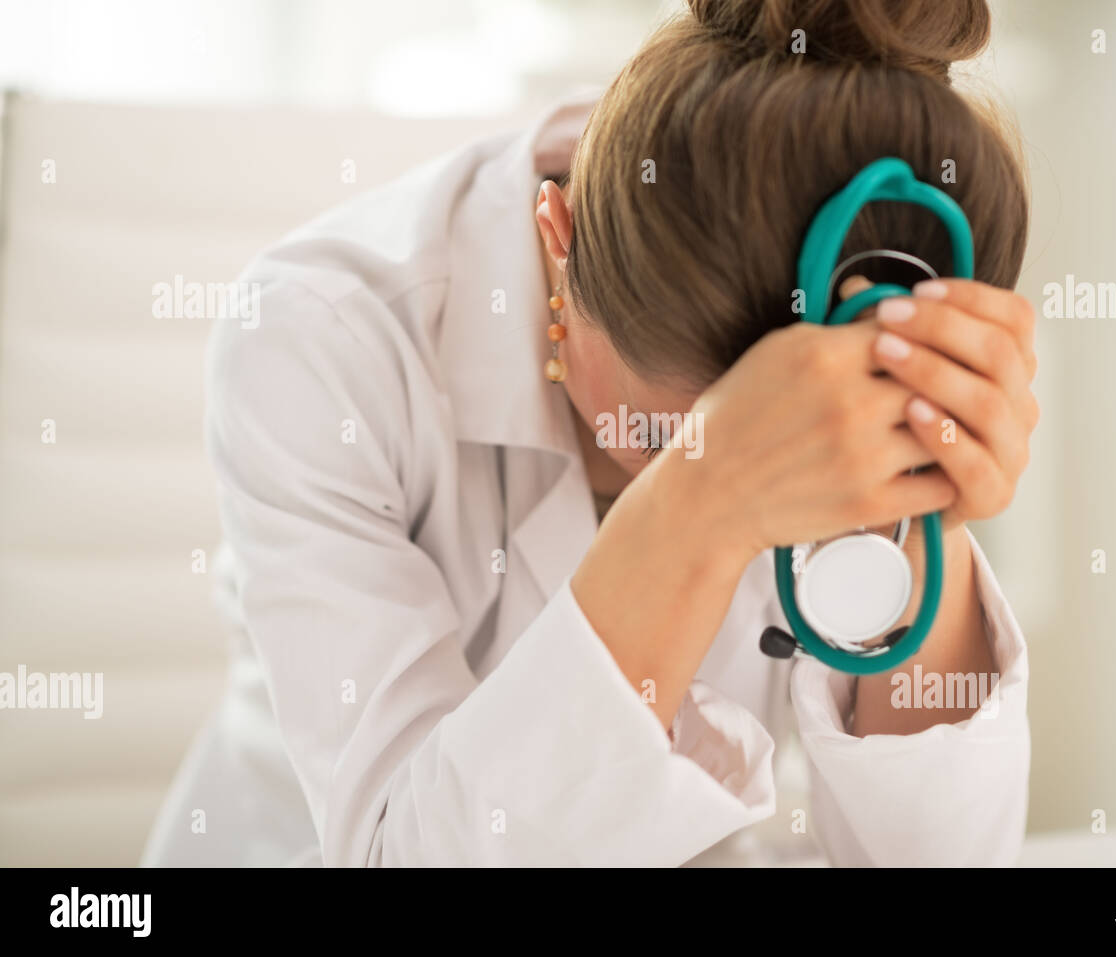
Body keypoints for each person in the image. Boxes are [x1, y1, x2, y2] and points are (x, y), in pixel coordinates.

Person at [143, 0, 1039, 867]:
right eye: (659, 433)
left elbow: (937, 862)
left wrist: (927, 486)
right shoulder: (322, 337)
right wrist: (700, 496)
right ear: (557, 247)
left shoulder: (852, 313)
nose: (785, 494)